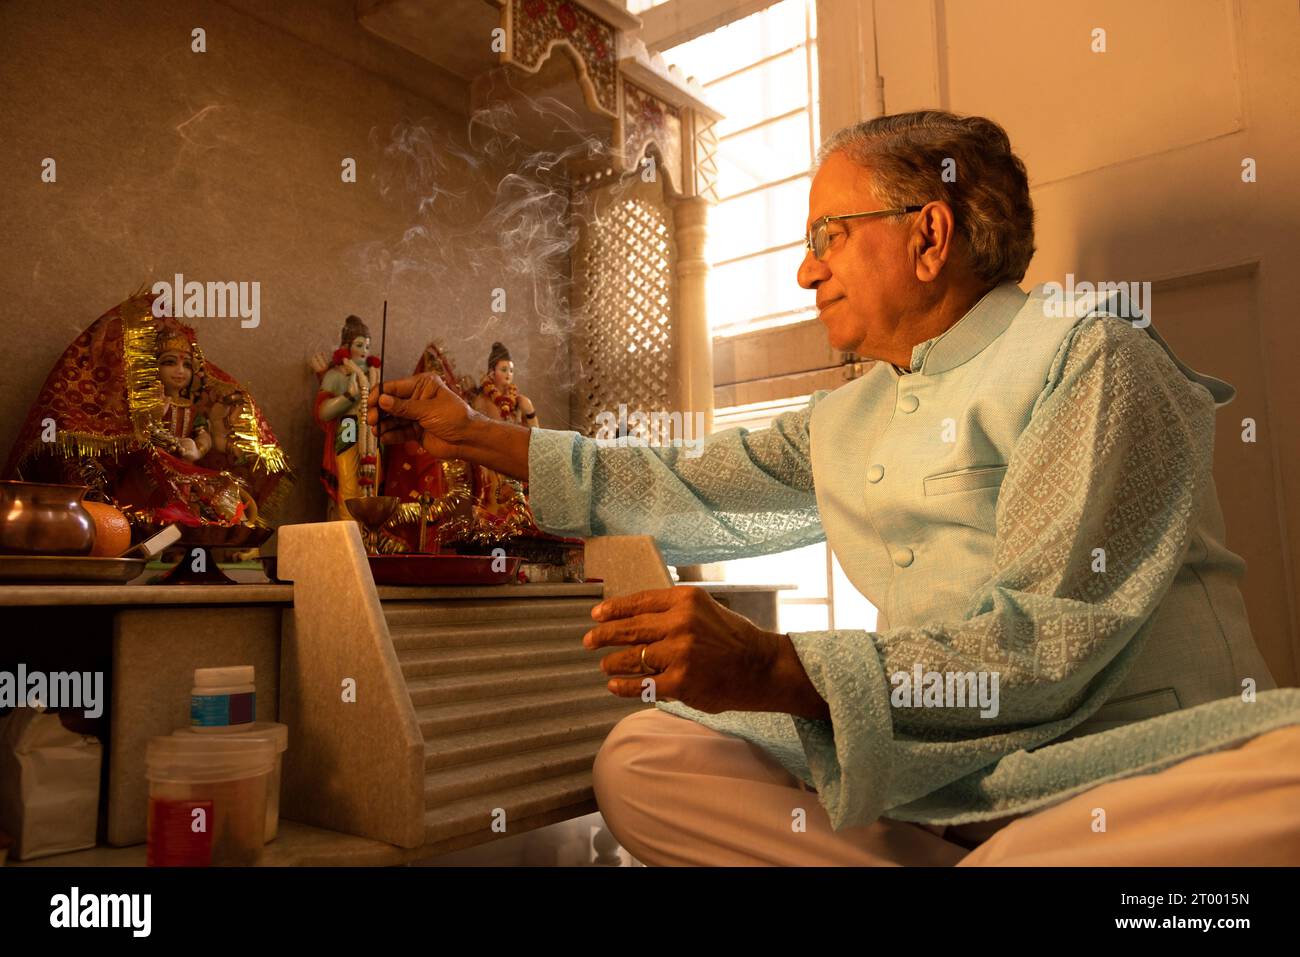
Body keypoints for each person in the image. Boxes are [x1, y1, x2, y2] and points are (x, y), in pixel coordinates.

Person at [368, 111, 1300, 866]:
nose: (806, 269)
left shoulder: (1090, 355)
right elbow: (683, 482)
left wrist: (781, 668)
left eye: (827, 235)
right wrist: (475, 433)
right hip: (938, 778)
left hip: (1109, 772)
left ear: (929, 234)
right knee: (645, 760)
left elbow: (1044, 645)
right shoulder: (848, 416)